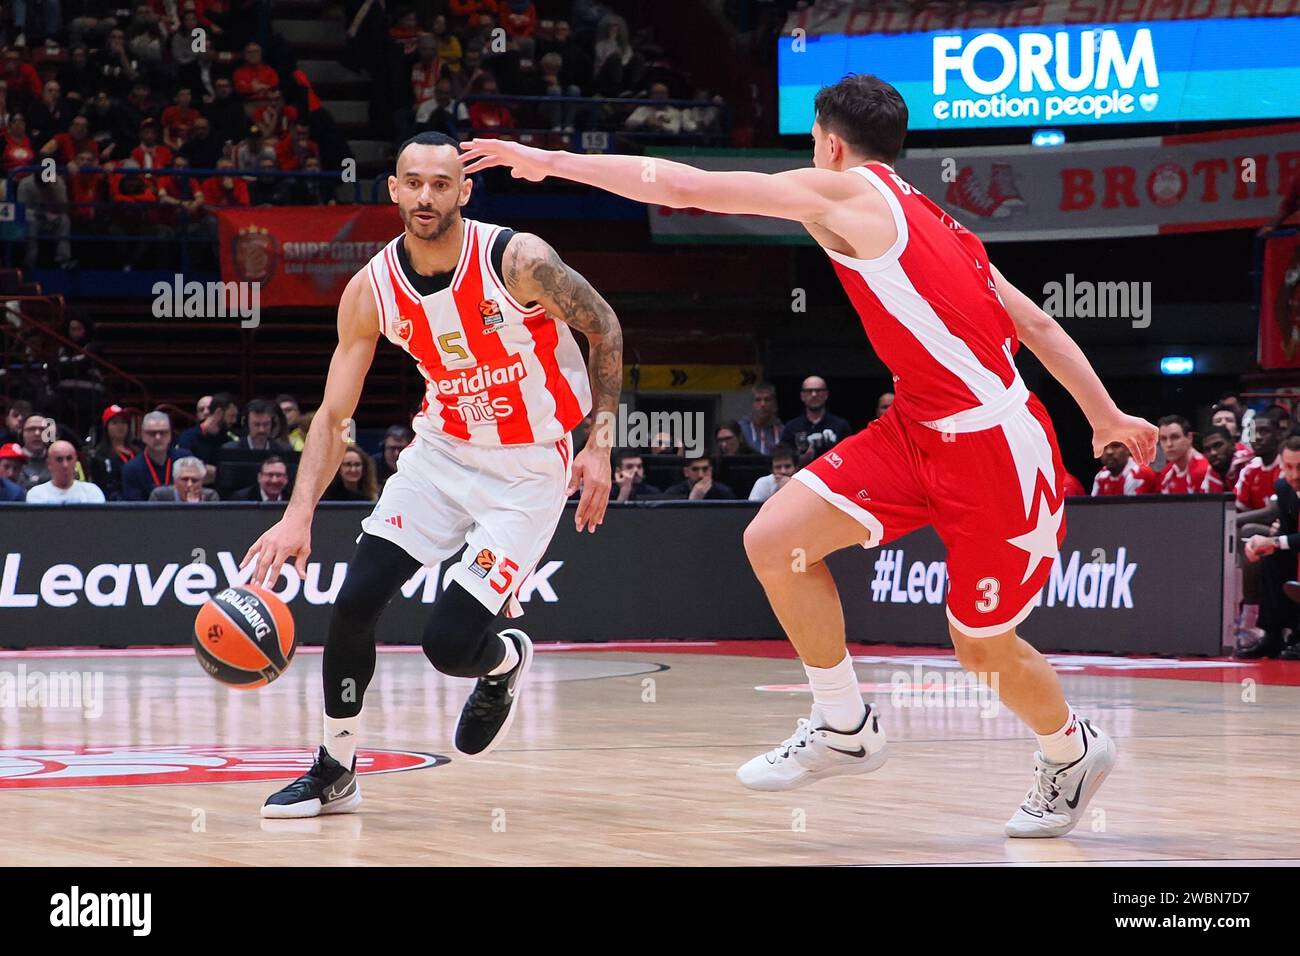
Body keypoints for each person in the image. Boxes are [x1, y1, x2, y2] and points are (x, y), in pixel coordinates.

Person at [460, 73, 1157, 837]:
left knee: (981, 646)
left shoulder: (846, 195)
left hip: (993, 450)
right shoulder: (939, 221)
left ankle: (1072, 750)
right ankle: (843, 724)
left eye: (812, 144)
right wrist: (1104, 413)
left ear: (829, 143)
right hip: (918, 425)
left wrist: (551, 161)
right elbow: (1040, 329)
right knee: (774, 537)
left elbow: (686, 185)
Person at [242, 131, 619, 819]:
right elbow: (332, 416)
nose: (425, 195)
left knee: (448, 646)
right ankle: (336, 768)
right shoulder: (371, 290)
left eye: (440, 183)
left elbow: (605, 326)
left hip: (530, 466)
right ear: (392, 189)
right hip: (441, 453)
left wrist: (600, 442)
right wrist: (298, 515)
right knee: (353, 603)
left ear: (464, 191)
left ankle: (502, 662)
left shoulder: (518, 259)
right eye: (412, 181)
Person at [1240, 436, 1300, 659]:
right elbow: (1286, 533)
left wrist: (1275, 542)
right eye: (1289, 467)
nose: (1295, 475)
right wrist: (1263, 546)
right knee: (1272, 558)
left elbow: (1282, 539)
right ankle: (1272, 635)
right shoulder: (1284, 488)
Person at [780, 375, 852, 467]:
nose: (814, 394)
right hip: (802, 476)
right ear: (802, 396)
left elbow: (849, 457)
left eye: (818, 391)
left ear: (826, 394)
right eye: (809, 391)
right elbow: (783, 459)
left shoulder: (841, 425)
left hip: (833, 476)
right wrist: (800, 460)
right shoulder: (791, 427)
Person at [120, 410, 186, 500]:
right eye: (152, 433)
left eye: (163, 432)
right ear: (142, 435)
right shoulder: (131, 468)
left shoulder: (184, 460)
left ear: (170, 434)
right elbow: (135, 508)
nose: (158, 437)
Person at [27, 440, 107, 503]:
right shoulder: (36, 494)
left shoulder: (92, 492)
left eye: (69, 459)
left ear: (76, 461)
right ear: (49, 463)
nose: (65, 465)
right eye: (59, 459)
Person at [90, 403, 140, 499]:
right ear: (106, 427)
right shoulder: (100, 457)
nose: (120, 426)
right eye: (115, 422)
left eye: (123, 422)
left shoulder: (137, 452)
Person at [1156, 415, 1210, 494]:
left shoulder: (1204, 470)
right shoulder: (1165, 474)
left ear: (1189, 438)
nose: (1169, 444)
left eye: (1175, 437)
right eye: (1163, 439)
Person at [1091, 441, 1159, 496]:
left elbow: (1129, 511)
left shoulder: (1139, 474)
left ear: (1129, 448)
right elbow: (1093, 509)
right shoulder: (1101, 476)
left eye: (1116, 446)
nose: (1109, 452)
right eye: (1104, 447)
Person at [662, 455, 736, 500]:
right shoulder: (673, 493)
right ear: (686, 472)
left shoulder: (725, 493)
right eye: (695, 469)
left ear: (711, 470)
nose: (701, 475)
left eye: (705, 469)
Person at [148, 456, 219, 501]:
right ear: (175, 481)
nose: (189, 484)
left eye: (195, 480)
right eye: (184, 479)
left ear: (202, 482)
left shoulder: (210, 497)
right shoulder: (159, 496)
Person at [740, 382, 782, 455]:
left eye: (767, 400)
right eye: (758, 400)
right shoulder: (741, 429)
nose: (763, 404)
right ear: (752, 404)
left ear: (774, 403)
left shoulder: (783, 431)